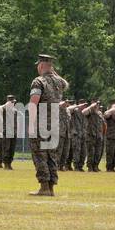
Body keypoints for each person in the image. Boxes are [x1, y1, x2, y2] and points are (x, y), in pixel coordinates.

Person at [27, 54, 68, 196]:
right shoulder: (59, 83)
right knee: (52, 155)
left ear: (41, 65)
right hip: (55, 124)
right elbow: (65, 83)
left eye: (39, 65)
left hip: (41, 123)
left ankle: (44, 187)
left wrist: (31, 124)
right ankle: (51, 188)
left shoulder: (38, 81)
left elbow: (34, 102)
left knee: (40, 154)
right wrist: (51, 70)